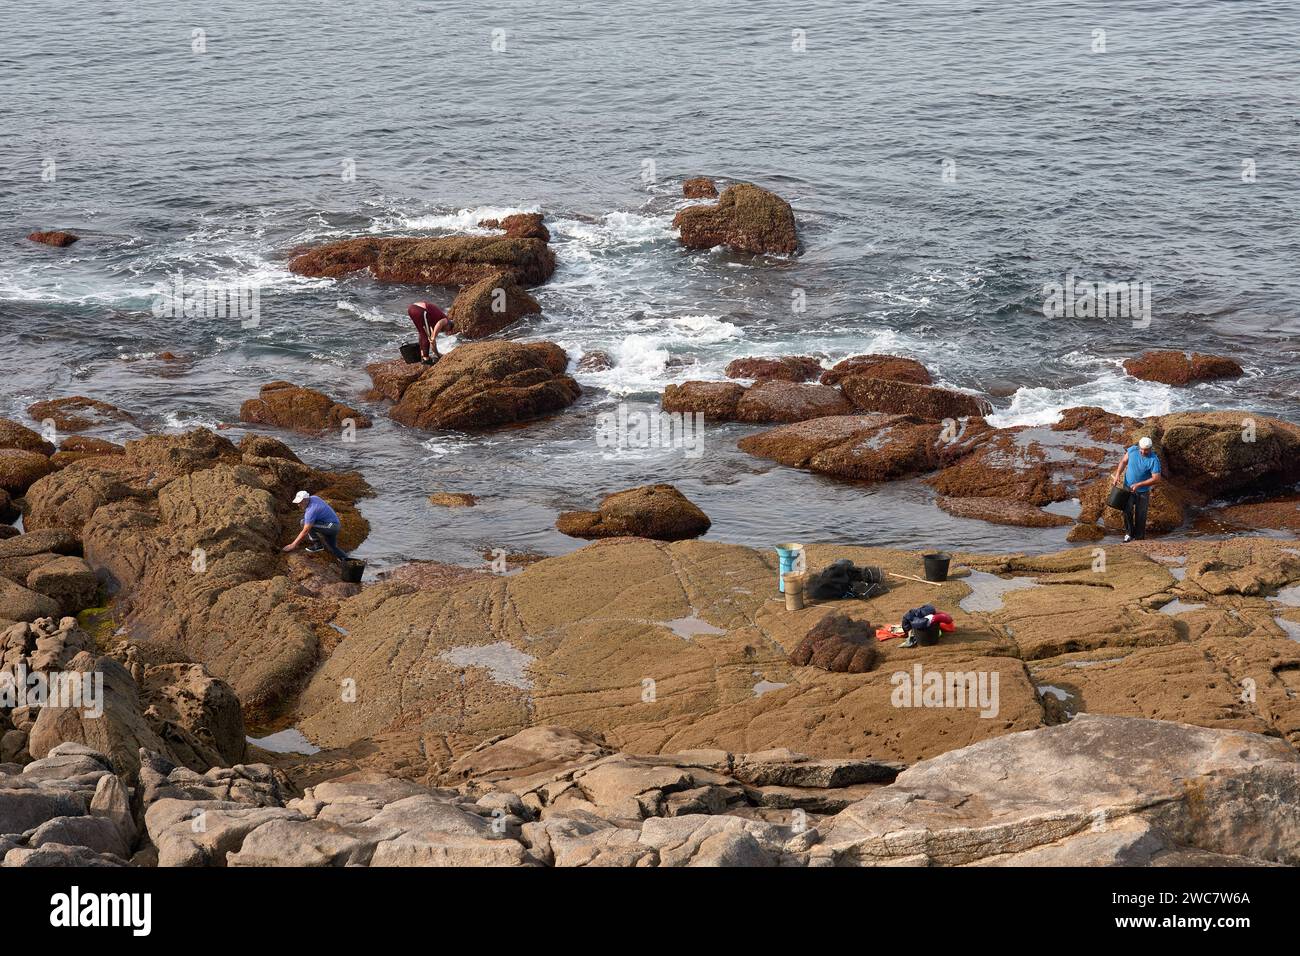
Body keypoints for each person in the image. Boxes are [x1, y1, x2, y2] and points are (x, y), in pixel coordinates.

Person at [1112, 435, 1163, 542]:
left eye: (1146, 450)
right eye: (1142, 450)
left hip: (1143, 492)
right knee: (1126, 510)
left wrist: (1139, 485)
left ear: (1150, 448)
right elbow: (1123, 462)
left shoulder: (1154, 460)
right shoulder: (1132, 450)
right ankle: (1129, 534)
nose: (1143, 452)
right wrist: (1117, 475)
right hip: (1128, 487)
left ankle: (1139, 537)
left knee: (1141, 514)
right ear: (1139, 447)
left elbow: (1156, 479)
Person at [283, 490, 350, 561]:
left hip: (331, 527)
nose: (298, 505)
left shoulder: (311, 511)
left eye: (300, 502)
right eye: (298, 503)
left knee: (303, 522)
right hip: (333, 524)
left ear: (306, 500)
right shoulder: (314, 498)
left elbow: (305, 530)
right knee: (332, 547)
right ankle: (348, 561)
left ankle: (318, 545)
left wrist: (293, 545)